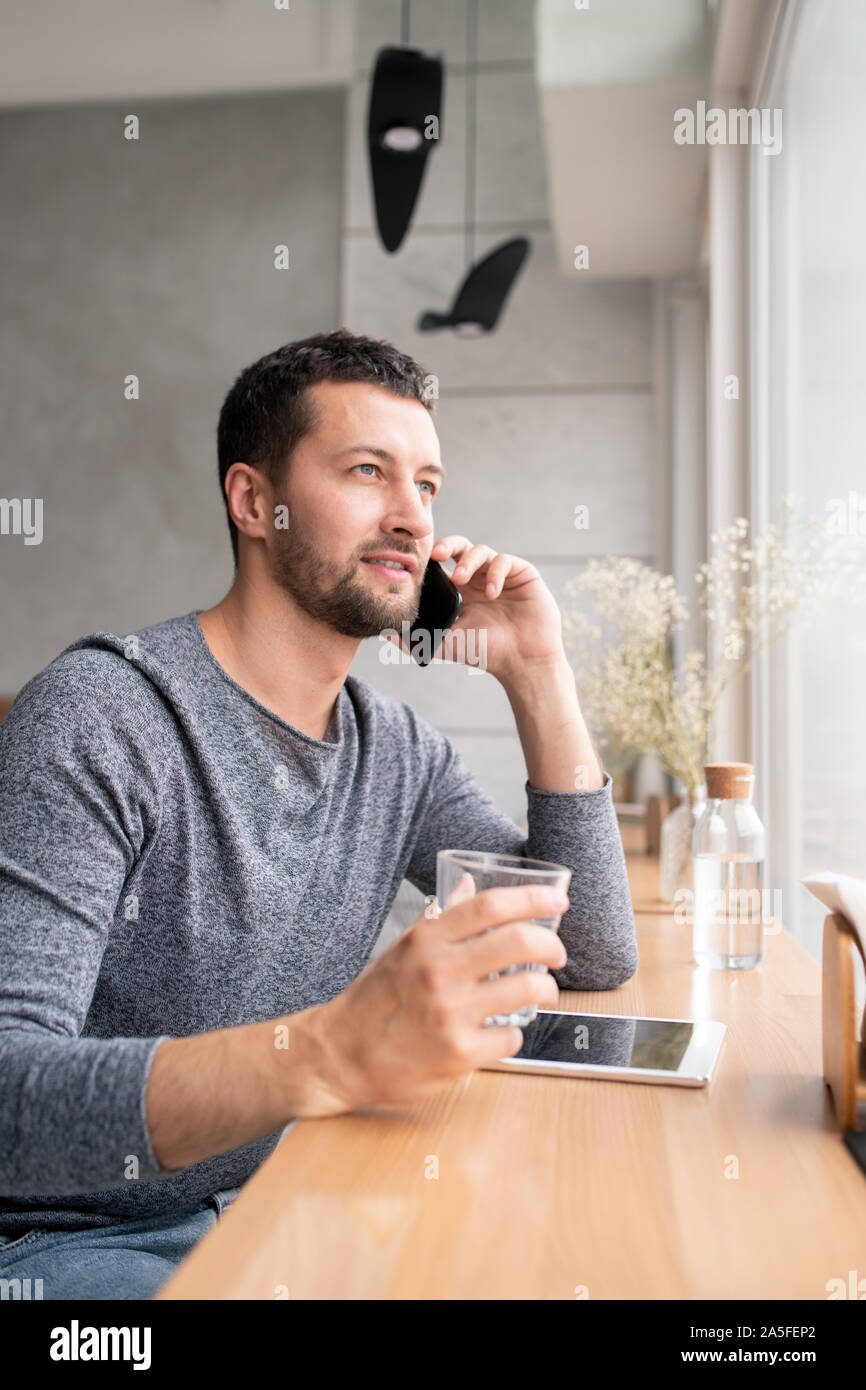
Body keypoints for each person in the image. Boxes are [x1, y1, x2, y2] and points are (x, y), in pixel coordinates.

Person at [0, 328, 638, 1300]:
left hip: (296, 1195)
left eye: (426, 484)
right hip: (70, 1250)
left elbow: (586, 948)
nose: (410, 517)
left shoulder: (394, 749)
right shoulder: (102, 715)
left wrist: (534, 669)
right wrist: (332, 1048)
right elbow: (10, 1103)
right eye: (366, 471)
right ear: (255, 501)